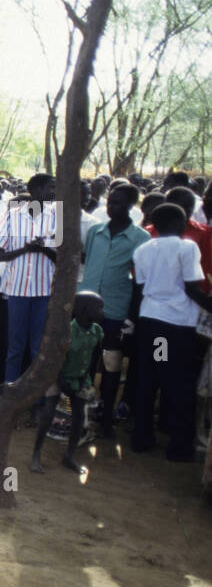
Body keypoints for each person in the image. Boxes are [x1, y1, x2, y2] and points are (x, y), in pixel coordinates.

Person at [131, 203, 211, 461]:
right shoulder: (187, 247)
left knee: (149, 378)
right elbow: (191, 288)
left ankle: (141, 437)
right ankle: (179, 446)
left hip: (151, 321)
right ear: (181, 223)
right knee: (176, 382)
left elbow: (141, 285)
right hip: (173, 326)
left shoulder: (143, 249)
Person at [78, 182, 147, 437]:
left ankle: (106, 417)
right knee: (83, 362)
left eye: (117, 202)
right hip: (85, 308)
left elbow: (140, 280)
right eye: (110, 201)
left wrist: (131, 316)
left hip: (115, 311)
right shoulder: (96, 231)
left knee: (111, 365)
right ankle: (80, 414)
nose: (111, 206)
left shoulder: (141, 239)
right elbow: (87, 261)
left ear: (131, 206)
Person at [0, 173, 57, 384]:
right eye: (50, 188)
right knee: (15, 346)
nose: (53, 192)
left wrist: (43, 247)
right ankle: (10, 390)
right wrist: (25, 249)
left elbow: (60, 257)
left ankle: (34, 397)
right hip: (17, 289)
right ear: (36, 191)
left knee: (38, 346)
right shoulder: (13, 216)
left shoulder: (57, 216)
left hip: (44, 290)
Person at [32, 291, 105, 475]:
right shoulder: (67, 332)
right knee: (49, 409)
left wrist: (85, 379)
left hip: (79, 376)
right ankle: (36, 453)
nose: (103, 312)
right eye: (100, 308)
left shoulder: (96, 330)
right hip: (57, 374)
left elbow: (94, 356)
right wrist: (61, 381)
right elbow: (55, 360)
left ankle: (69, 455)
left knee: (78, 415)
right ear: (84, 311)